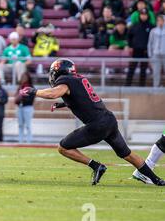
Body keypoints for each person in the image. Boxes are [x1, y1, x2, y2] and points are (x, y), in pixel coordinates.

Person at [21, 58, 165, 186]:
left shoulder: (65, 80)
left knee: (63, 147)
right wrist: (63, 104)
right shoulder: (79, 79)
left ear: (58, 72)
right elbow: (82, 98)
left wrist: (34, 91)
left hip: (97, 125)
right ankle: (156, 180)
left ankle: (96, 166)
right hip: (109, 120)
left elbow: (53, 93)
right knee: (127, 154)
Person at [125, 9, 154, 87]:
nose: (143, 16)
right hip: (136, 50)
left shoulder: (151, 27)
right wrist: (130, 46)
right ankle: (127, 85)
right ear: (139, 16)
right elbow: (129, 37)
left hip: (145, 51)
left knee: (143, 70)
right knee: (131, 68)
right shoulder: (134, 26)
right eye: (142, 15)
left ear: (147, 16)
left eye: (145, 15)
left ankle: (142, 86)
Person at [15, 72, 35, 143]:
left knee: (28, 125)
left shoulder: (31, 87)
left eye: (25, 77)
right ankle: (20, 140)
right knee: (20, 125)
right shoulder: (20, 87)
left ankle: (29, 140)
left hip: (28, 107)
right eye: (23, 77)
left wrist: (23, 97)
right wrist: (18, 98)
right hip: (19, 107)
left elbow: (31, 99)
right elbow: (16, 98)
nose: (24, 79)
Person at [148, 15, 165, 88]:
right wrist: (150, 56)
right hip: (156, 55)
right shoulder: (153, 31)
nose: (160, 22)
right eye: (158, 20)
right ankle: (156, 88)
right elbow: (150, 44)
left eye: (162, 20)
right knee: (156, 73)